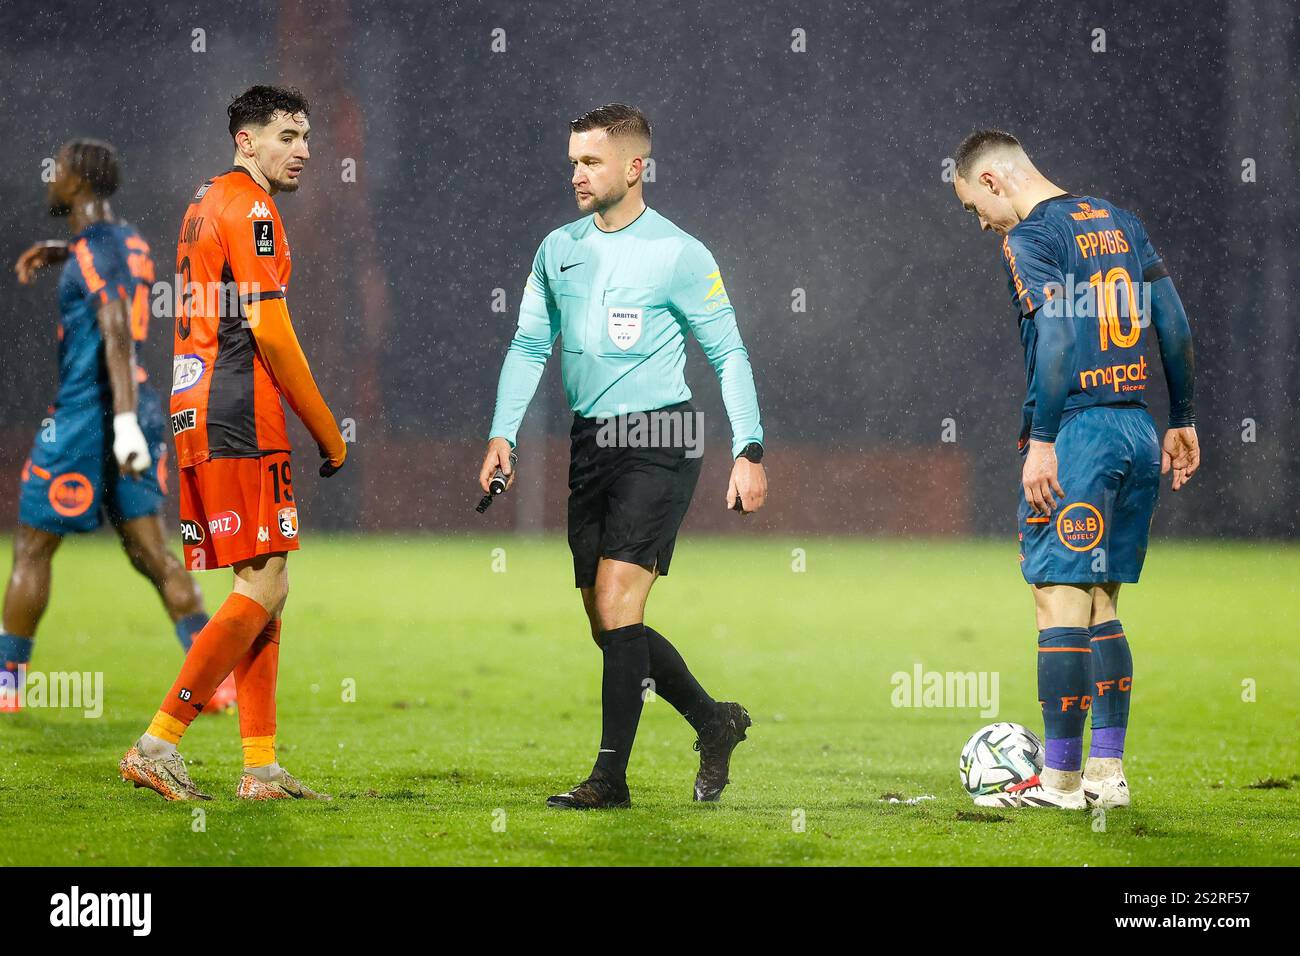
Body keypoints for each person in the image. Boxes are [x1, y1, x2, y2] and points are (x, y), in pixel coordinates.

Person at [481, 104, 767, 809]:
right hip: (590, 441)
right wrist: (502, 433)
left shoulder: (679, 253)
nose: (576, 173)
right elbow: (527, 346)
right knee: (607, 624)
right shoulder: (558, 249)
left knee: (617, 603)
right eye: (574, 160)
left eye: (592, 161)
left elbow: (728, 351)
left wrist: (749, 448)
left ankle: (610, 779)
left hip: (661, 439)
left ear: (635, 167)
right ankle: (713, 720)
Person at [952, 129, 1200, 809]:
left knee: (1057, 600)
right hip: (1136, 427)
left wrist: (1043, 438)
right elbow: (1172, 321)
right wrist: (1183, 415)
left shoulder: (1033, 237)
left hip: (1081, 434)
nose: (983, 223)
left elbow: (1058, 334)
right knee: (1101, 606)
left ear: (995, 181)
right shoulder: (1120, 222)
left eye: (976, 206)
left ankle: (1058, 783)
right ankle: (1105, 777)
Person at [119, 86, 347, 801]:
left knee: (266, 587)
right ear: (246, 141)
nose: (303, 149)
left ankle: (261, 766)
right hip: (238, 404)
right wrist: (326, 425)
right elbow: (271, 331)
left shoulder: (204, 200)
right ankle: (158, 742)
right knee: (265, 582)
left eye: (307, 135)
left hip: (198, 397)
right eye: (286, 135)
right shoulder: (252, 208)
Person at [1, 139, 229, 715]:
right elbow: (104, 265)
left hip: (88, 415)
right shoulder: (125, 240)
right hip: (142, 409)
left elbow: (116, 327)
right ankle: (214, 681)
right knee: (153, 555)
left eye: (56, 168)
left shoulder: (94, 250)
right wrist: (61, 251)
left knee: (31, 546)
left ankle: (6, 683)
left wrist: (122, 424)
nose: (49, 176)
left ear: (77, 180)